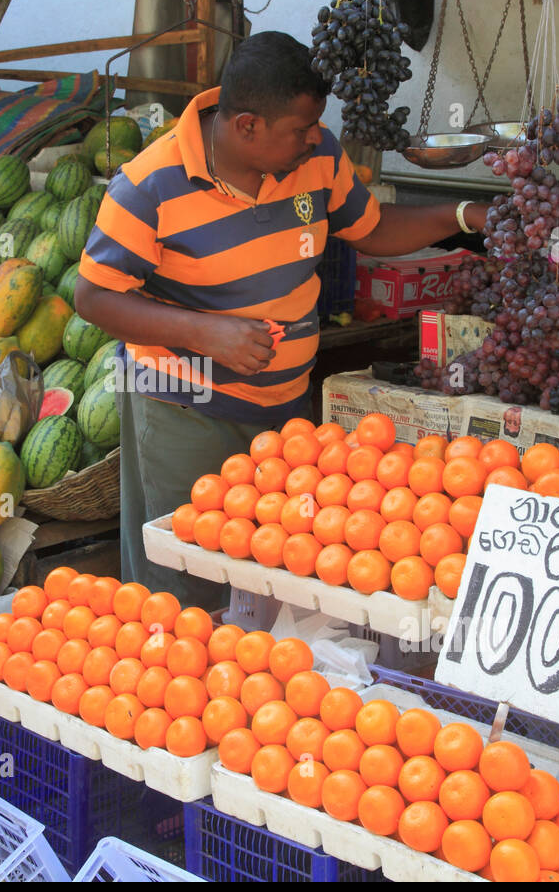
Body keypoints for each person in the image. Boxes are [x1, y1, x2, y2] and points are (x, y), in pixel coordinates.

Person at [75, 31, 489, 606]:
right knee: (185, 581)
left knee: (274, 569)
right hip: (184, 411)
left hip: (285, 416)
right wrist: (205, 332)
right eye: (301, 127)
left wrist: (464, 215)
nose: (315, 137)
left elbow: (371, 229)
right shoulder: (149, 185)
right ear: (246, 125)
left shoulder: (317, 158)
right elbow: (94, 299)